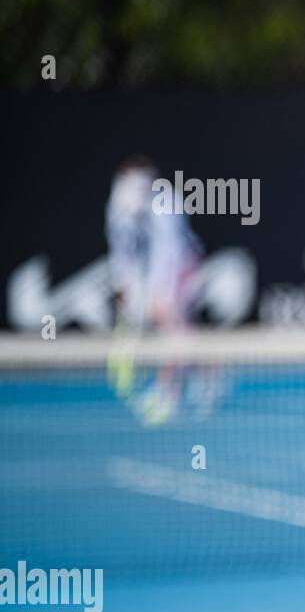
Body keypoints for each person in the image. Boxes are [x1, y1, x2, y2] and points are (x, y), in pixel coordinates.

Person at [105, 155, 204, 423]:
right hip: (146, 269)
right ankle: (208, 378)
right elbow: (121, 247)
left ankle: (168, 393)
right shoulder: (119, 200)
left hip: (181, 266)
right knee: (180, 330)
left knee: (174, 327)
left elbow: (170, 249)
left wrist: (162, 292)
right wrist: (123, 284)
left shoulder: (164, 199)